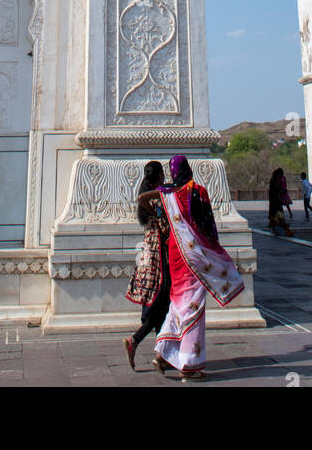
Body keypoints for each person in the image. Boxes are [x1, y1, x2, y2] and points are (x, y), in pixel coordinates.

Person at [139, 154, 244, 381]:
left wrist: (156, 211)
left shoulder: (168, 193)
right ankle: (190, 366)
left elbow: (143, 198)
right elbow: (208, 225)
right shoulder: (196, 191)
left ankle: (162, 354)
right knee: (193, 309)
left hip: (175, 254)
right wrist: (214, 251)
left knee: (178, 304)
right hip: (194, 256)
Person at [124, 161, 172, 369]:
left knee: (161, 305)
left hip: (148, 254)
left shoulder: (148, 196)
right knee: (164, 301)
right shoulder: (155, 199)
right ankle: (140, 342)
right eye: (163, 175)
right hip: (159, 255)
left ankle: (160, 353)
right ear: (160, 176)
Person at [268, 168, 294, 237]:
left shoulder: (274, 181)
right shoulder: (275, 181)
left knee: (277, 214)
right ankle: (280, 224)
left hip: (275, 202)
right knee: (278, 214)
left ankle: (277, 223)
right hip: (276, 201)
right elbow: (276, 191)